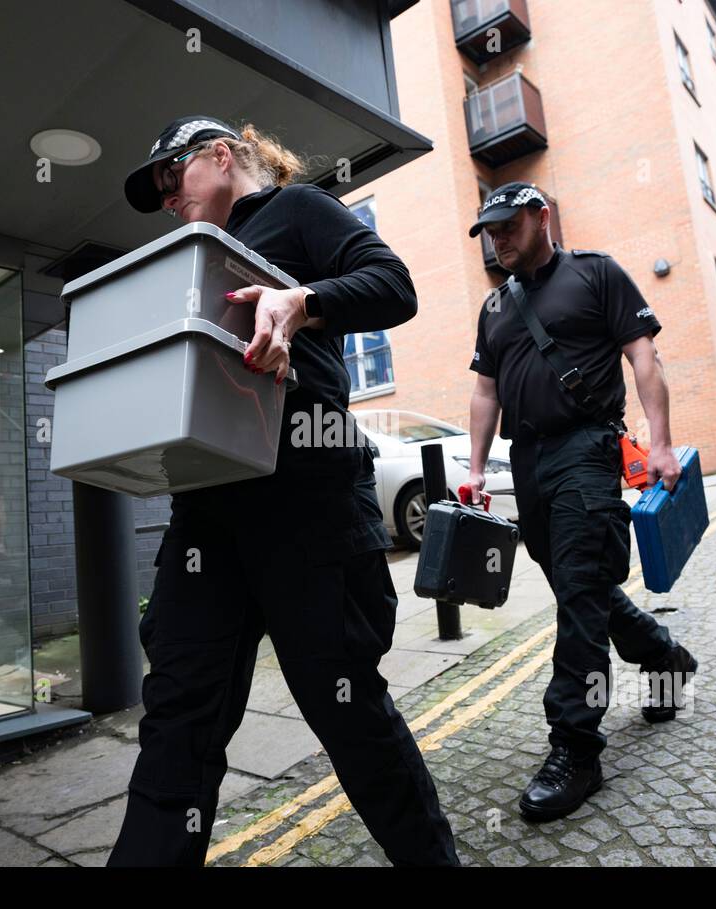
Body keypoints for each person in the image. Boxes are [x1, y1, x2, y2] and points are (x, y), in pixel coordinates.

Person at [107, 115, 458, 866]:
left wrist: (302, 302)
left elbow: (394, 286)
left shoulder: (296, 212)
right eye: (159, 191)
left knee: (349, 713)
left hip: (309, 506)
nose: (168, 198)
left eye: (174, 176)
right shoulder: (187, 257)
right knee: (177, 720)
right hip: (207, 514)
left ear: (221, 154)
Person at [463, 182, 697, 823]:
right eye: (489, 230)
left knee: (580, 591)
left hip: (589, 450)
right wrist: (479, 468)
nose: (498, 239)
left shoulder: (597, 275)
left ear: (542, 217)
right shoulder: (494, 305)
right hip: (528, 461)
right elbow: (486, 393)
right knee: (579, 584)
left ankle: (576, 749)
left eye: (508, 225)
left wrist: (661, 444)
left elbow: (643, 358)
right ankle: (663, 655)